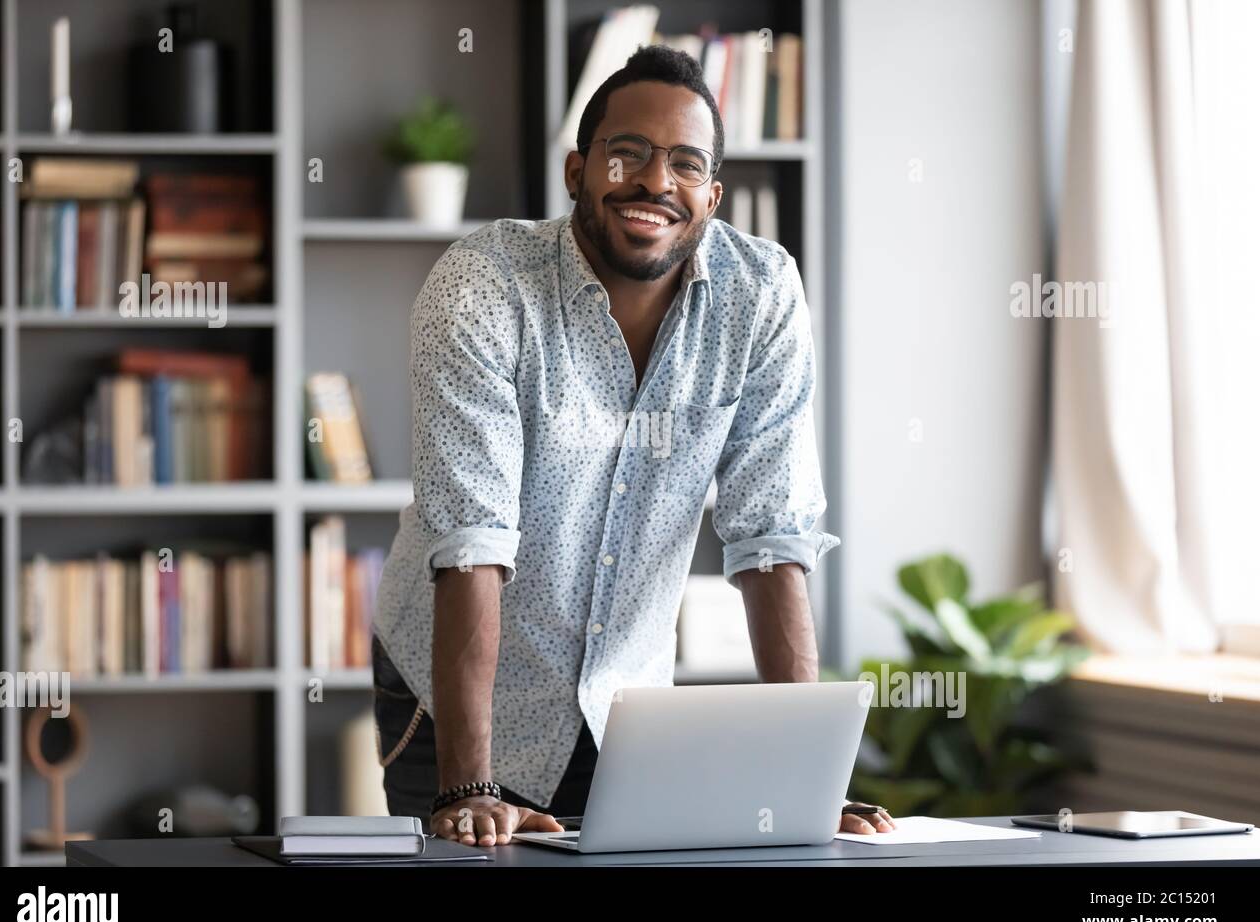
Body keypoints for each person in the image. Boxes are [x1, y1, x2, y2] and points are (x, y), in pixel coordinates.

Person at [370, 45, 895, 846]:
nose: (656, 182)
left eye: (686, 165)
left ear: (713, 197)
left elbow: (772, 535)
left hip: (627, 707)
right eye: (629, 155)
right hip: (454, 703)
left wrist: (808, 780)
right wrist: (468, 787)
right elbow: (470, 537)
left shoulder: (761, 297)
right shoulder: (483, 285)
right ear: (579, 170)